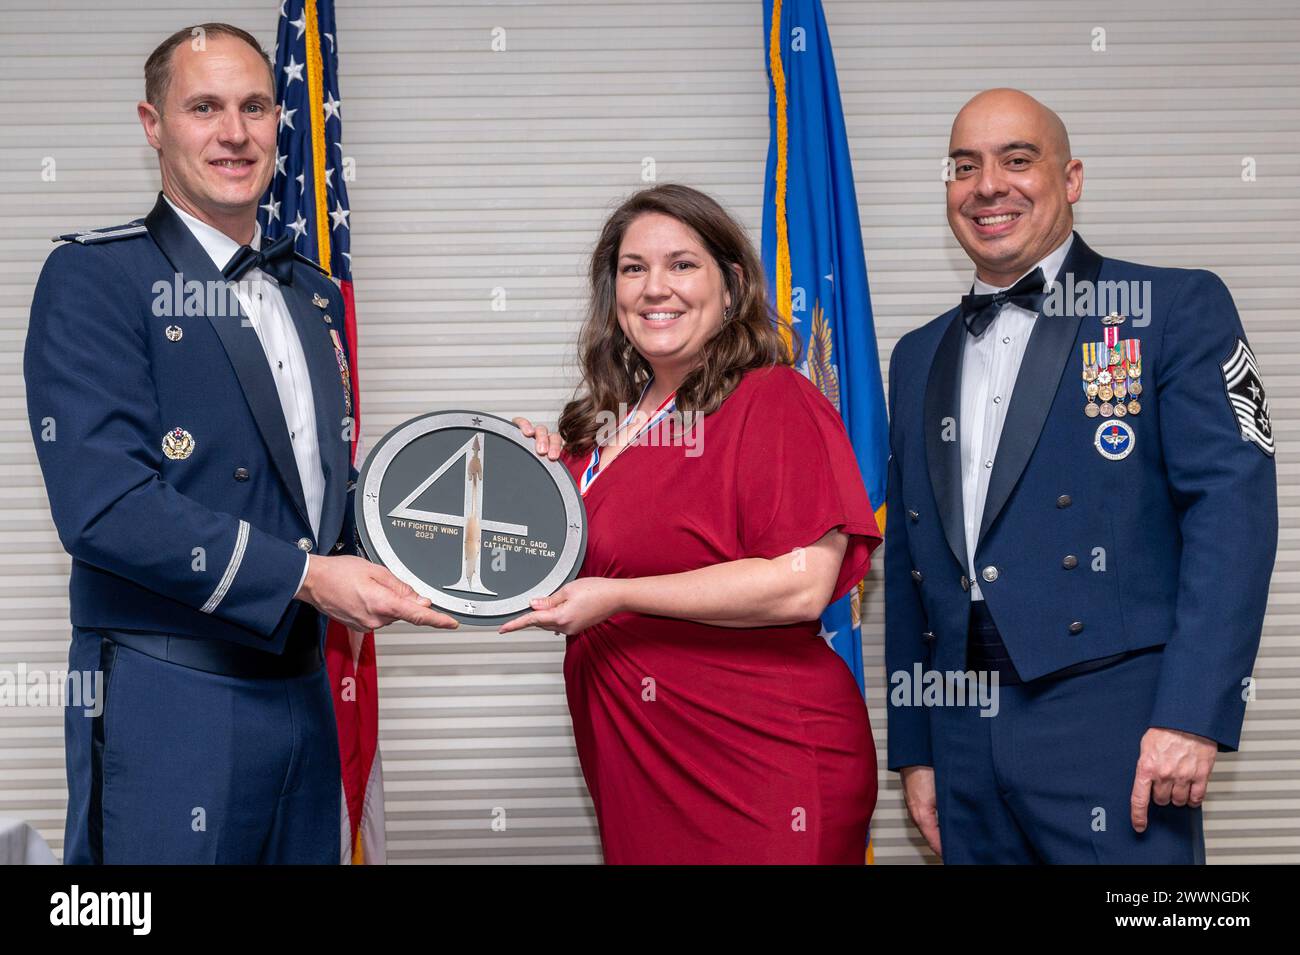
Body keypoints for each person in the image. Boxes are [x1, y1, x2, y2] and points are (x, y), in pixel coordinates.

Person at [24, 22, 455, 865]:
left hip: (300, 690)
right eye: (205, 107)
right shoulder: (95, 277)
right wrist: (305, 576)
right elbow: (104, 507)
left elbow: (320, 498)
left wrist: (489, 495)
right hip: (167, 691)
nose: (235, 132)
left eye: (256, 106)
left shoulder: (312, 293)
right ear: (154, 124)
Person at [884, 88, 1277, 863]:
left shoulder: (1171, 308)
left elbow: (1231, 513)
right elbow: (908, 558)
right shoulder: (916, 353)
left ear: (1071, 180)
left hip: (1119, 726)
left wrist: (1192, 714)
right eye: (964, 166)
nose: (987, 185)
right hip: (961, 728)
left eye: (1017, 160)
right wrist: (918, 745)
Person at [508, 184, 881, 864]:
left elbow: (802, 584)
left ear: (732, 285)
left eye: (682, 264)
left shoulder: (773, 398)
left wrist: (621, 595)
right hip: (642, 768)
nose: (656, 288)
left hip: (761, 763)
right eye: (633, 268)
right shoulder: (610, 429)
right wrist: (541, 475)